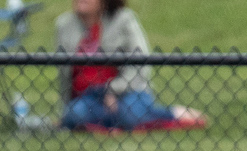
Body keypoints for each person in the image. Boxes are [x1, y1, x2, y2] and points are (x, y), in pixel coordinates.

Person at [55, 0, 205, 132]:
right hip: (89, 97)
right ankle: (113, 122)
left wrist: (112, 90)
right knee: (75, 114)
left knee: (129, 114)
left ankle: (172, 113)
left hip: (126, 91)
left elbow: (140, 63)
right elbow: (65, 74)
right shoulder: (64, 25)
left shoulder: (123, 19)